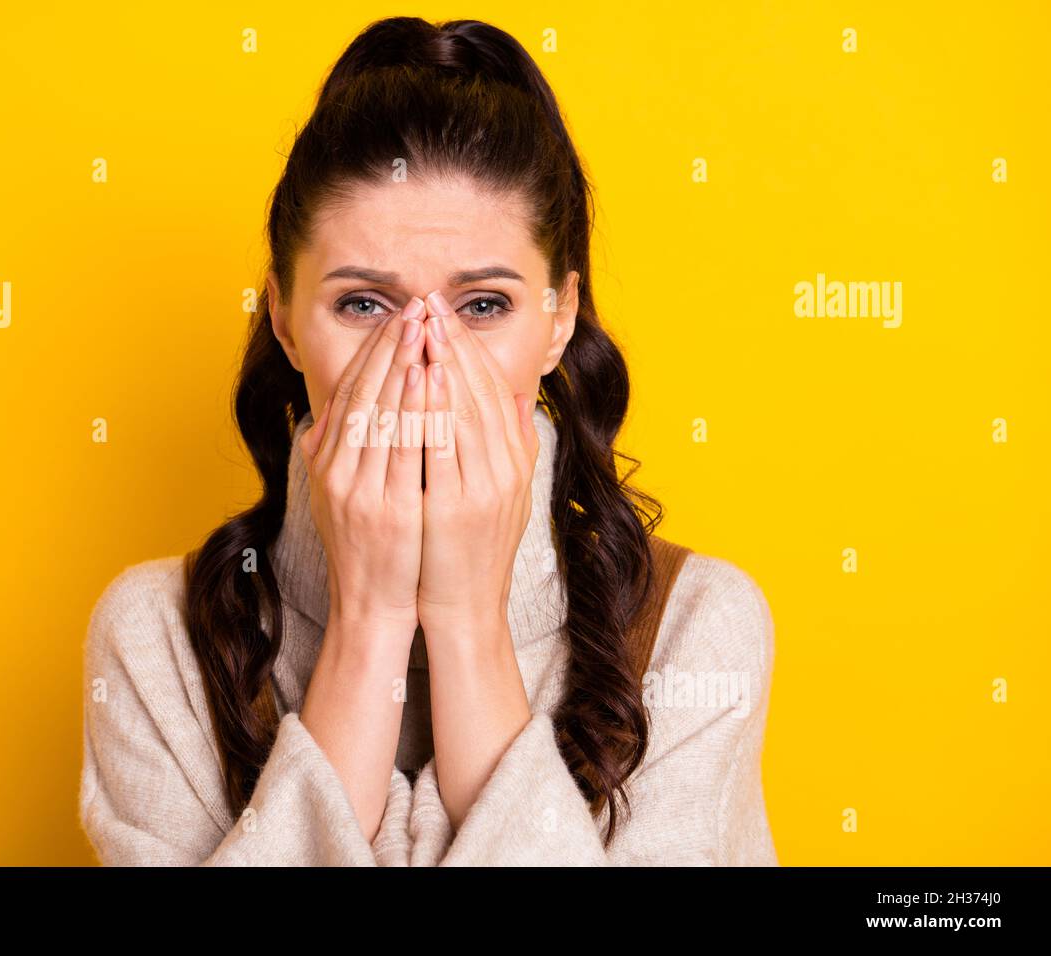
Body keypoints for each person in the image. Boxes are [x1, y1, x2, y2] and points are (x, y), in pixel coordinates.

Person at [78, 16, 778, 866]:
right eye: (364, 304)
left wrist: (465, 621)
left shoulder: (696, 628)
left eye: (483, 306)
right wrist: (368, 623)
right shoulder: (155, 640)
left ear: (558, 322)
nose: (423, 362)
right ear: (286, 325)